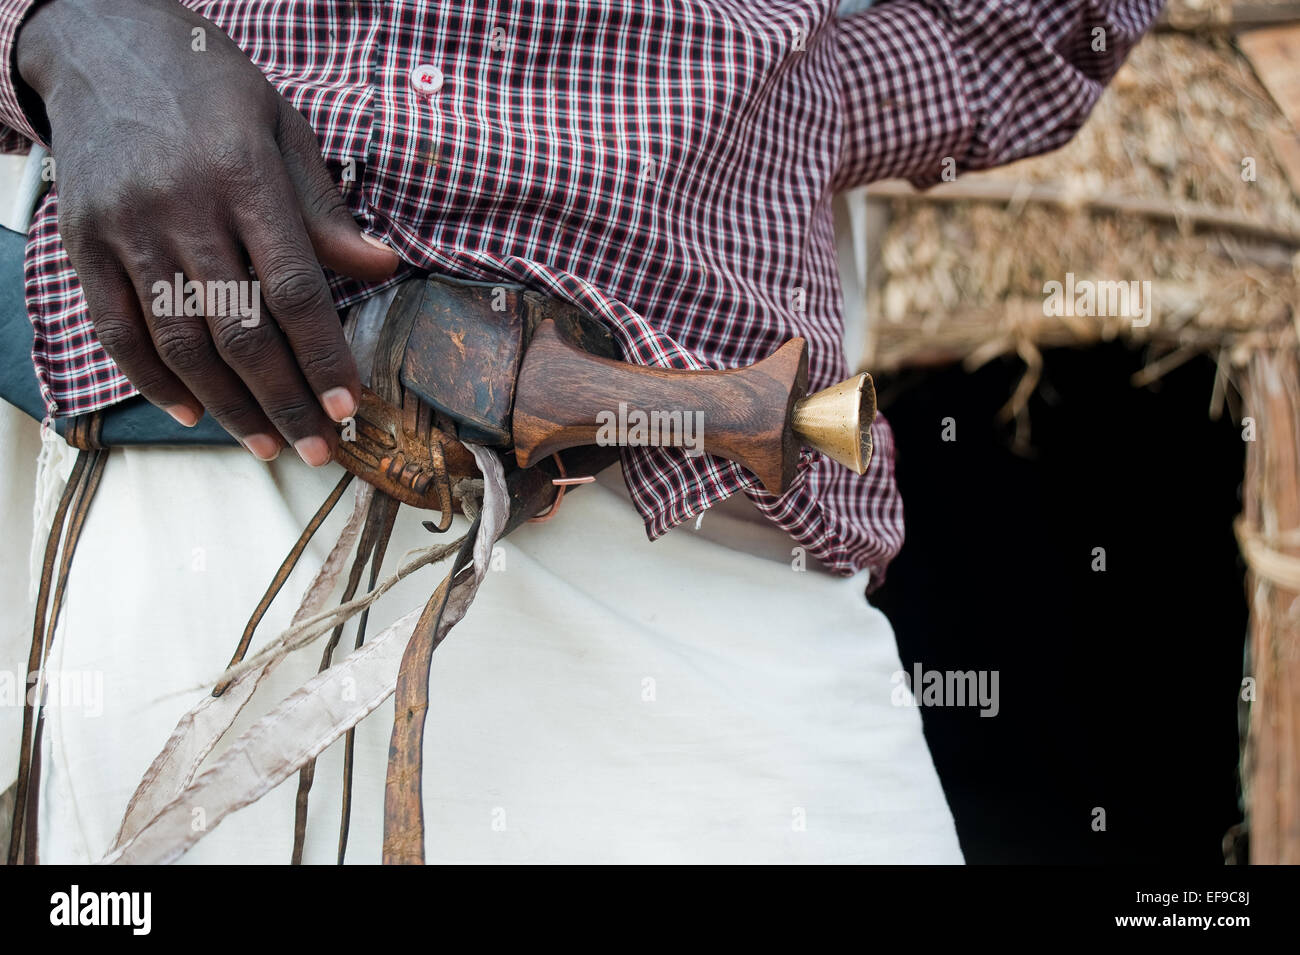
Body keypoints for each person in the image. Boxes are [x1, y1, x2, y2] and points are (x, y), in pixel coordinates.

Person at [0, 0, 1159, 863]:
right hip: (198, 529)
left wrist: (792, 97)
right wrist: (68, 32)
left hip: (687, 551)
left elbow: (1056, 19)